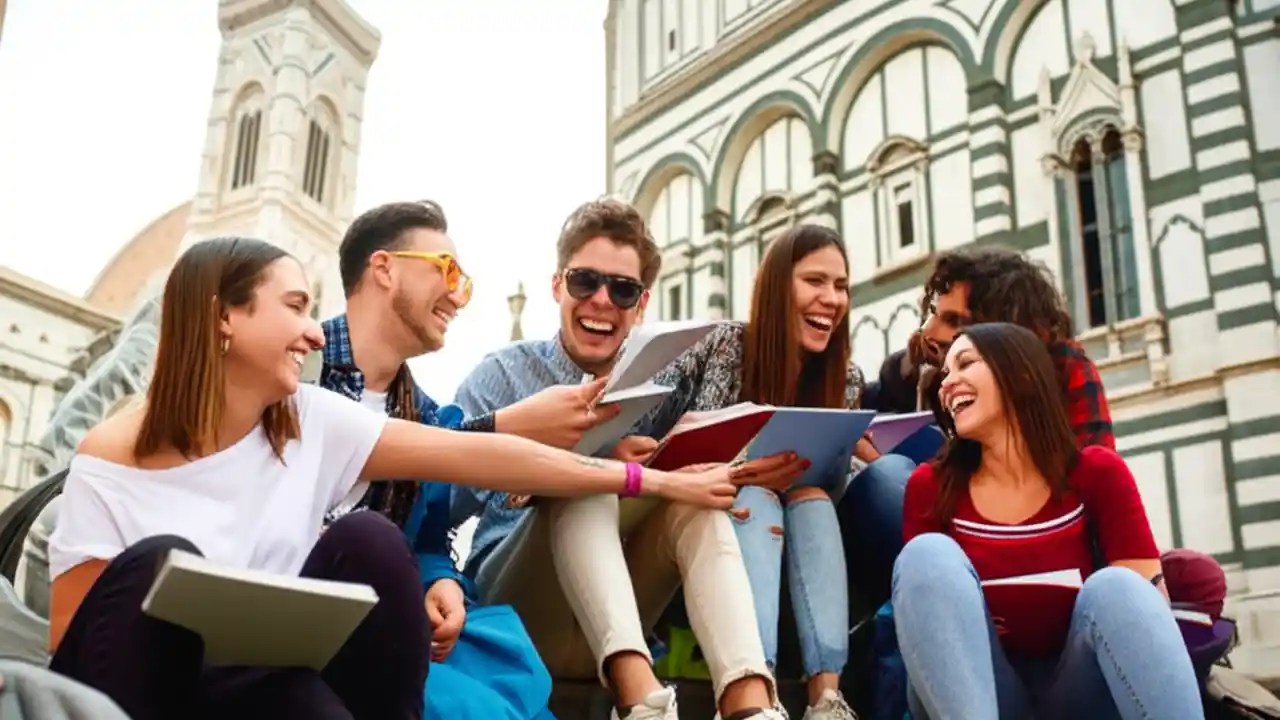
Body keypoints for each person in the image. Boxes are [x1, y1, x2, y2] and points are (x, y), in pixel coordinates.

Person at [44, 236, 802, 720]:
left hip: (269, 682)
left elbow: (485, 458)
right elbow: (77, 653)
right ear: (223, 319)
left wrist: (659, 484)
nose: (311, 330)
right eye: (296, 307)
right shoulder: (110, 459)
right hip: (150, 697)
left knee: (372, 543)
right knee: (157, 562)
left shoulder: (312, 418)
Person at [453, 198, 794, 720]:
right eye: (584, 281)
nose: (601, 301)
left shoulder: (661, 389)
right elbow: (439, 497)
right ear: (557, 285)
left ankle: (749, 703)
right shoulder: (501, 374)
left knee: (694, 502)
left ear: (641, 304)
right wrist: (576, 457)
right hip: (517, 607)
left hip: (620, 612)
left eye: (622, 289)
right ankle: (644, 705)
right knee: (587, 479)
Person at [319, 198, 629, 718]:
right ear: (384, 269)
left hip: (401, 634)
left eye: (463, 281)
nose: (458, 296)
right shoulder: (291, 369)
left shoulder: (427, 414)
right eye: (447, 271)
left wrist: (440, 581)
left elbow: (429, 540)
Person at [892, 322, 1202, 720]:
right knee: (926, 556)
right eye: (945, 373)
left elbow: (1145, 610)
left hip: (1080, 690)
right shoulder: (930, 486)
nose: (947, 383)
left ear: (1021, 375)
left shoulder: (1096, 473)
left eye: (966, 363)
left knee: (1119, 587)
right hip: (977, 697)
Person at [643, 224, 869, 720]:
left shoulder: (846, 378)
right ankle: (756, 692)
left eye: (841, 286)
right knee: (757, 498)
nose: (832, 299)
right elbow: (651, 438)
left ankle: (826, 698)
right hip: (706, 546)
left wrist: (852, 459)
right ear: (776, 286)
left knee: (812, 499)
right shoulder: (723, 344)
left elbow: (835, 476)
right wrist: (743, 469)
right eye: (815, 281)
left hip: (804, 563)